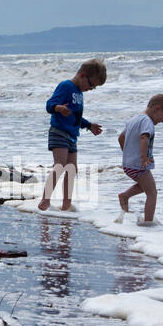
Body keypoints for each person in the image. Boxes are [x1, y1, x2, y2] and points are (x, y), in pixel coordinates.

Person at [38, 59, 107, 212]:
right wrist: (58, 108)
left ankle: (66, 203)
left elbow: (75, 117)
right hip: (59, 131)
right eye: (91, 85)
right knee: (60, 165)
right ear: (83, 75)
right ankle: (45, 199)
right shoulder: (66, 86)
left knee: (72, 169)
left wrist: (89, 125)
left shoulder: (79, 93)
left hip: (72, 135)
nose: (91, 88)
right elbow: (49, 105)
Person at [118, 94, 163, 226]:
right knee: (152, 192)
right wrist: (143, 158)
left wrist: (128, 154)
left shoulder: (134, 119)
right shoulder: (147, 121)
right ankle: (148, 223)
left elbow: (120, 137)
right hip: (139, 165)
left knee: (145, 186)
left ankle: (125, 195)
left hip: (128, 165)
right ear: (157, 109)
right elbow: (144, 138)